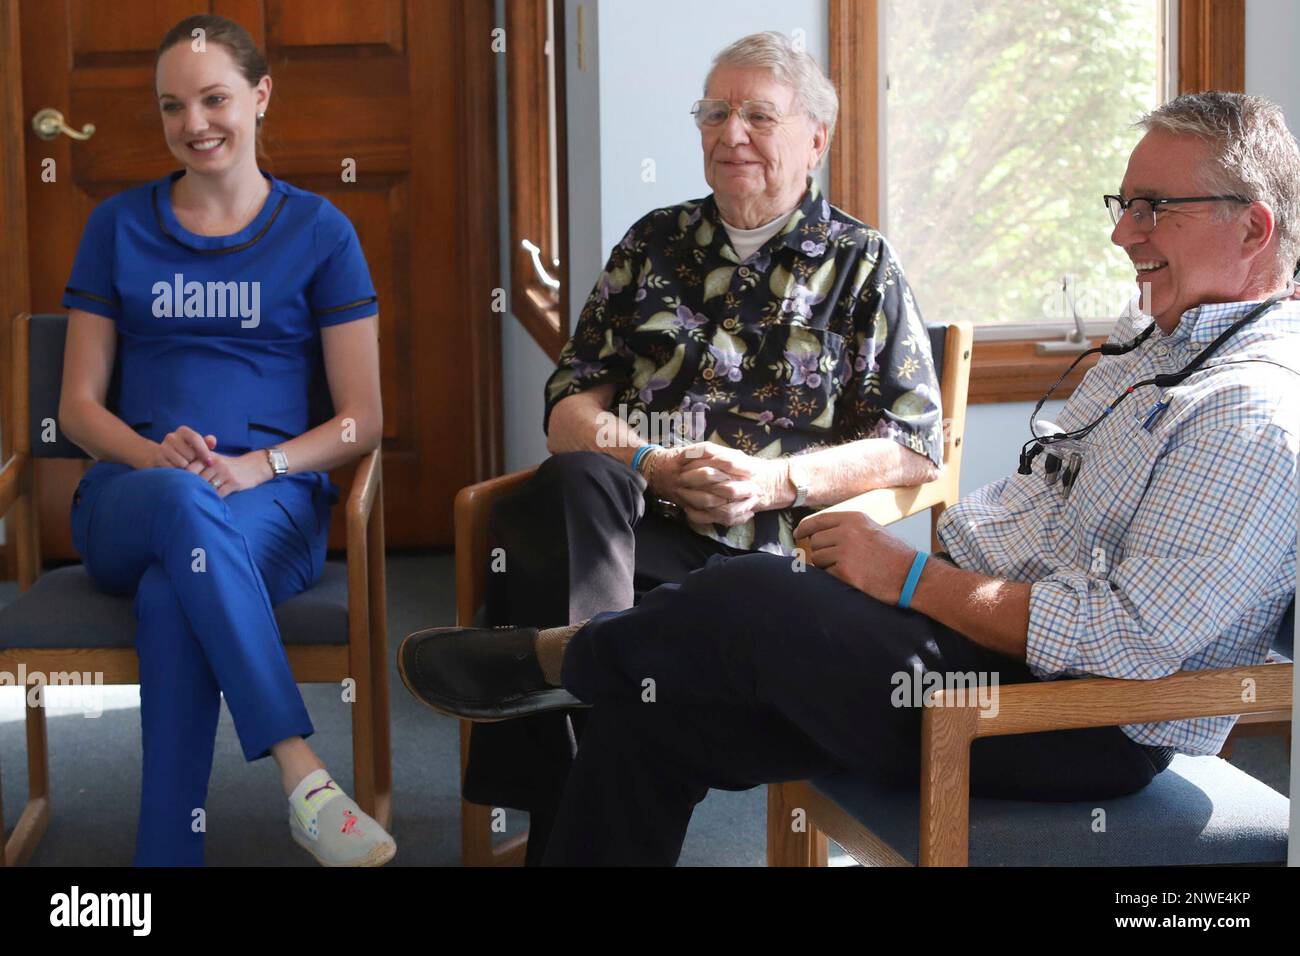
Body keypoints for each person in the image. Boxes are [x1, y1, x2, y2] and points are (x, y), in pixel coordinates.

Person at [402, 90, 1300, 865]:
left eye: (1152, 207)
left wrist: (907, 574)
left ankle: (560, 659)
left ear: (1252, 226)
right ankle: (585, 673)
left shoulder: (1252, 416)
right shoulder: (1161, 349)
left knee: (752, 592)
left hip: (1066, 718)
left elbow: (1130, 643)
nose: (1121, 231)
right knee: (654, 710)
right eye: (1124, 202)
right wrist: (897, 583)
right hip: (970, 641)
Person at [401, 31, 944, 863]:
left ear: (816, 140)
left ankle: (559, 743)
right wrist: (650, 463)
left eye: (759, 115)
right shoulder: (652, 243)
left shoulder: (861, 265)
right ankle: (573, 700)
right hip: (639, 533)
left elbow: (913, 445)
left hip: (779, 559)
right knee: (577, 480)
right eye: (715, 112)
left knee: (574, 620)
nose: (732, 133)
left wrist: (774, 481)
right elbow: (568, 402)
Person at [58, 14, 394, 867]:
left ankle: (164, 859)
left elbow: (363, 419)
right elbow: (78, 409)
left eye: (215, 98)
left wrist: (259, 466)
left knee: (178, 592)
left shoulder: (320, 232)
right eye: (174, 107)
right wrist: (154, 458)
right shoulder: (116, 226)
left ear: (261, 95)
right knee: (178, 504)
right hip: (131, 496)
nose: (195, 124)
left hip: (269, 506)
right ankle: (304, 775)